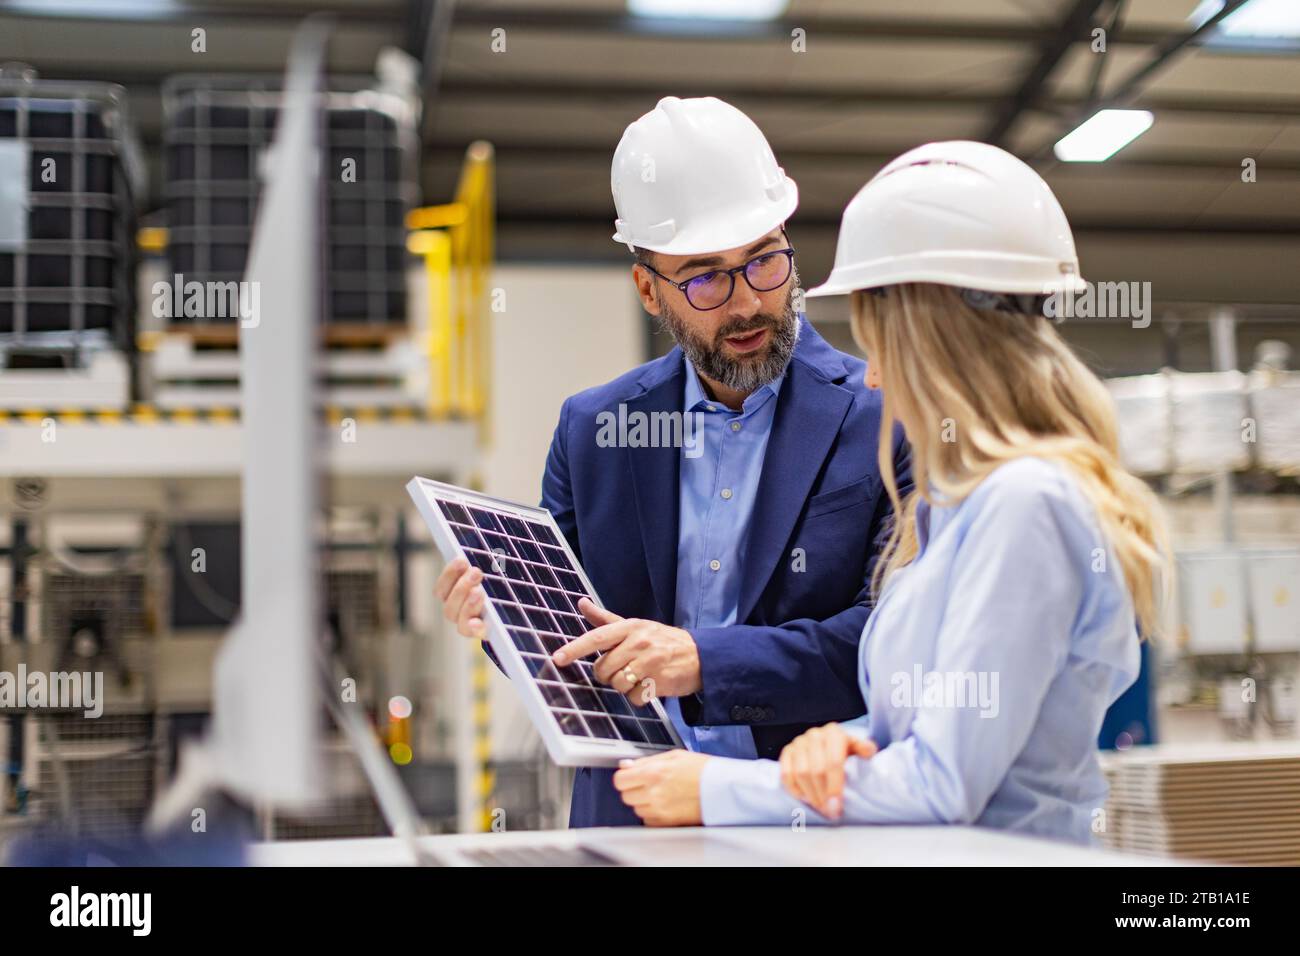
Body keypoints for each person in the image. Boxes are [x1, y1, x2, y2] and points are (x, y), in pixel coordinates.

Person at [612, 140, 1173, 843]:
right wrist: (840, 747)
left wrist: (717, 787)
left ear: (932, 341)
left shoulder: (1030, 506)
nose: (871, 378)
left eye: (882, 347)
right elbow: (923, 737)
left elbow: (945, 785)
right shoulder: (956, 509)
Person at [435, 96, 911, 827]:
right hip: (630, 821)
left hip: (803, 820)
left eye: (764, 262)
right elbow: (569, 640)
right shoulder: (595, 429)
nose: (748, 303)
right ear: (649, 288)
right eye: (706, 278)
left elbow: (892, 642)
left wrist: (703, 661)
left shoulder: (882, 417)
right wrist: (502, 623)